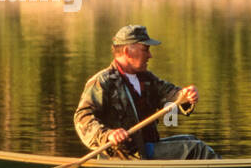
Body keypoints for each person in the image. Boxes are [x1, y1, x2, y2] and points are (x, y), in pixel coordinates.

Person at [74, 24, 219, 160]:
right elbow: (82, 117)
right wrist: (108, 135)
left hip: (148, 149)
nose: (150, 55)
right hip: (126, 156)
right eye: (146, 49)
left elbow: (170, 94)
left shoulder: (147, 79)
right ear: (127, 52)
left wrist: (186, 95)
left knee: (191, 140)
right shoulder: (102, 82)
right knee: (197, 149)